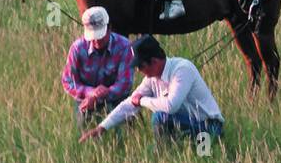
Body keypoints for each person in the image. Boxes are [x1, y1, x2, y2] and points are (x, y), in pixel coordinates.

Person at [79, 35, 224, 144]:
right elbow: (130, 103)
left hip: (209, 128)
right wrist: (102, 127)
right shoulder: (152, 78)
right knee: (150, 153)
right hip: (187, 126)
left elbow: (171, 106)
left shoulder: (182, 70)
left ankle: (166, 154)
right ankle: (166, 156)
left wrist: (142, 100)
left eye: (140, 66)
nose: (139, 71)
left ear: (154, 61)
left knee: (160, 117)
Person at [61, 6, 134, 126]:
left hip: (116, 99)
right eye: (92, 37)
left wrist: (102, 95)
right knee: (83, 125)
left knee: (119, 130)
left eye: (100, 36)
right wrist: (92, 93)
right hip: (85, 99)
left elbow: (125, 84)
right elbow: (68, 81)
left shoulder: (124, 46)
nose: (96, 41)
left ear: (109, 28)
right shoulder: (77, 48)